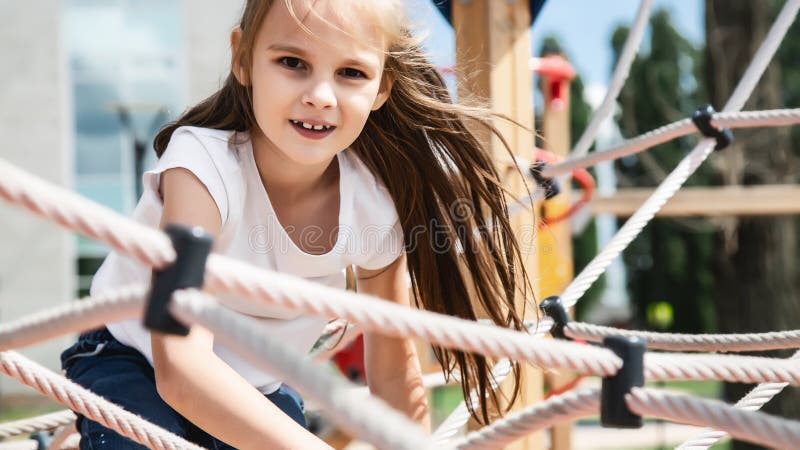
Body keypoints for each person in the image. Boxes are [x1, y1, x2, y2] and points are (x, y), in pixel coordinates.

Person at [61, 0, 534, 448]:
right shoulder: (202, 171)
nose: (320, 97)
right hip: (133, 359)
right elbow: (181, 368)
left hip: (260, 386)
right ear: (243, 59)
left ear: (382, 88)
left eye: (351, 73)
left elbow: (393, 373)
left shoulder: (373, 205)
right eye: (292, 63)